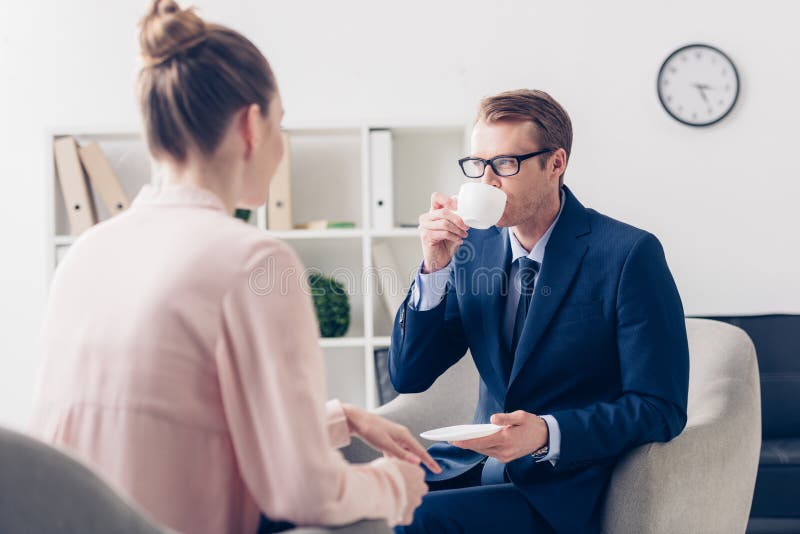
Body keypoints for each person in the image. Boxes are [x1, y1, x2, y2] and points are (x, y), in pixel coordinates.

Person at [28, 2, 439, 533]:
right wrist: (396, 486)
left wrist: (342, 419)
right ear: (251, 125)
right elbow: (303, 492)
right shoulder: (252, 262)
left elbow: (165, 436)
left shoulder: (87, 253)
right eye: (279, 126)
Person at [389, 89, 690, 533]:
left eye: (505, 165)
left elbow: (660, 407)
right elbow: (409, 375)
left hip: (557, 488)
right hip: (466, 468)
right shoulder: (471, 249)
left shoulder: (628, 254)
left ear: (556, 164)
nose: (487, 182)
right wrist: (434, 267)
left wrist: (547, 433)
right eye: (477, 166)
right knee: (330, 497)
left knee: (418, 520)